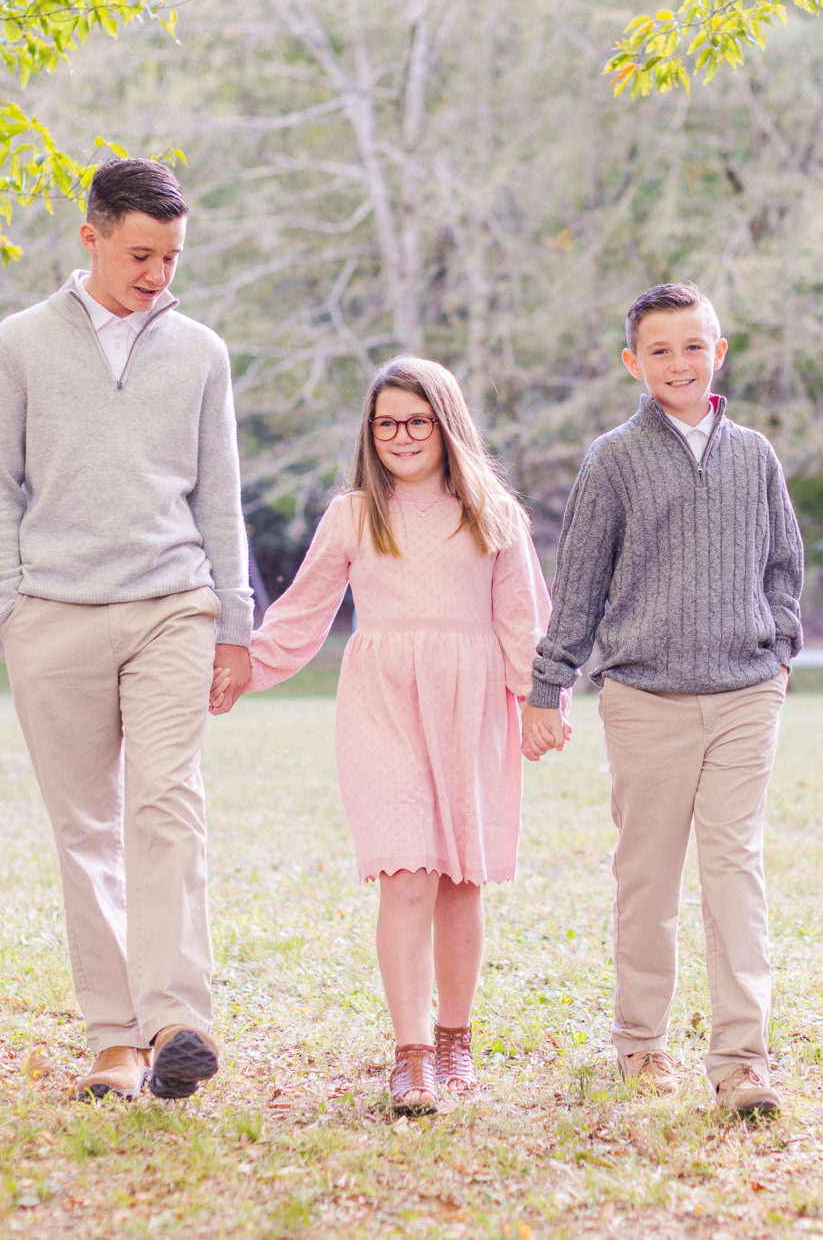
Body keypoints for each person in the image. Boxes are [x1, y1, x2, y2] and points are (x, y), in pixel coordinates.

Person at [0, 157, 252, 1103]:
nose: (157, 273)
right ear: (90, 237)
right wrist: (10, 602)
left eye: (172, 257)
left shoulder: (202, 353)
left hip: (173, 605)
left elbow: (221, 495)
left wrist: (235, 620)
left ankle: (177, 1020)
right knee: (85, 827)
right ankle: (115, 1041)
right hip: (54, 615)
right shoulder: (17, 344)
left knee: (167, 804)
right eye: (141, 253)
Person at [239, 357, 558, 1114]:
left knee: (460, 880)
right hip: (382, 699)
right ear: (370, 432)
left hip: (472, 700)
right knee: (407, 874)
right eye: (387, 422)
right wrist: (239, 670)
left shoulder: (493, 513)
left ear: (446, 424)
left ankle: (456, 1037)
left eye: (417, 420)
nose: (402, 435)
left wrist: (543, 700)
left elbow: (524, 618)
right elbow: (299, 612)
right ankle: (411, 1052)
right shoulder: (353, 514)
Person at [523, 282, 804, 1116]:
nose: (678, 362)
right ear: (632, 363)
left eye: (693, 345)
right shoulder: (615, 458)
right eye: (659, 350)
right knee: (647, 876)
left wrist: (779, 649)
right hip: (645, 697)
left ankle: (741, 1060)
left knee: (734, 869)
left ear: (719, 351)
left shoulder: (753, 453)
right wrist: (550, 683)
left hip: (747, 691)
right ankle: (641, 1044)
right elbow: (579, 582)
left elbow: (784, 565)